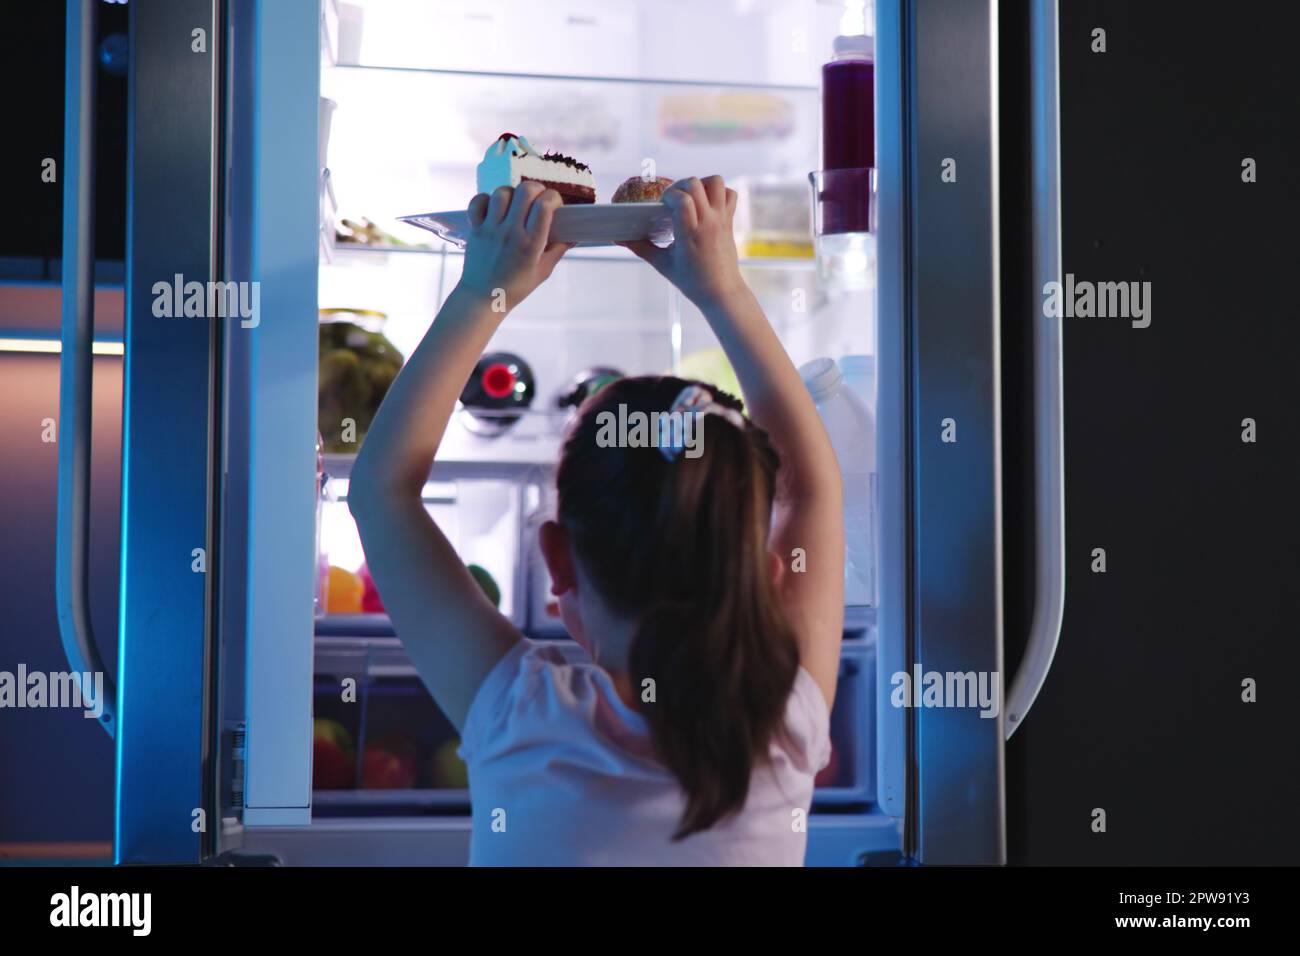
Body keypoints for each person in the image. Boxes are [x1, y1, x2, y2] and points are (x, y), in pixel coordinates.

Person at [349, 176, 845, 865]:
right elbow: (814, 490)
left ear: (555, 560)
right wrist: (722, 289)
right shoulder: (787, 726)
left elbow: (381, 490)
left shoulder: (521, 717)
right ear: (763, 574)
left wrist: (486, 291)